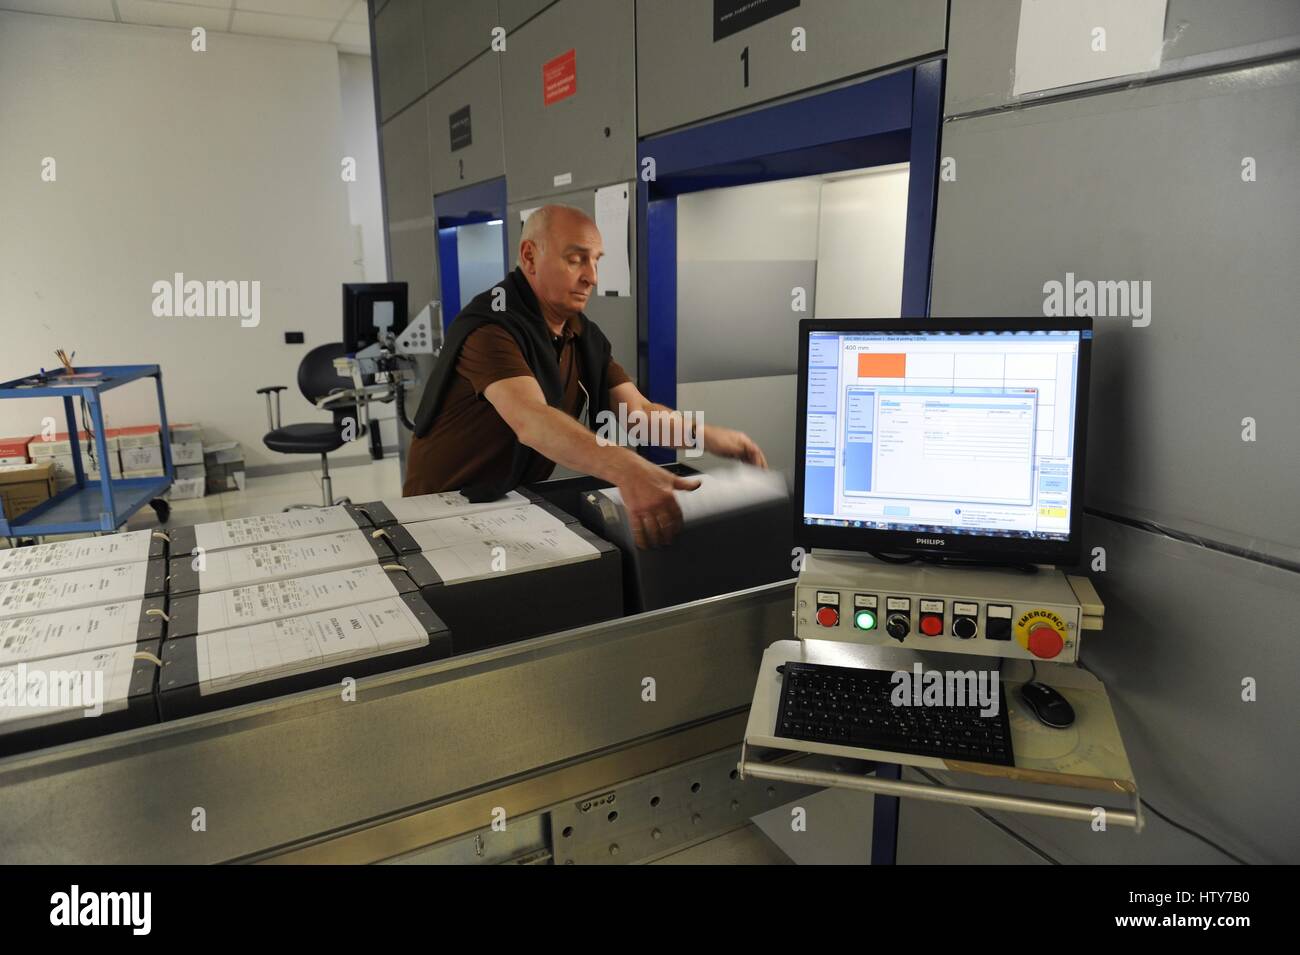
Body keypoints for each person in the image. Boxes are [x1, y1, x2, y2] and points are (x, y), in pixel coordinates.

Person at [405, 205, 766, 548]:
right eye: (575, 259)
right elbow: (531, 420)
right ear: (529, 256)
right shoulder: (492, 328)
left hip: (506, 502)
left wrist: (708, 436)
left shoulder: (581, 335)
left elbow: (637, 416)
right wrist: (627, 469)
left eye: (595, 261)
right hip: (438, 510)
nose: (591, 276)